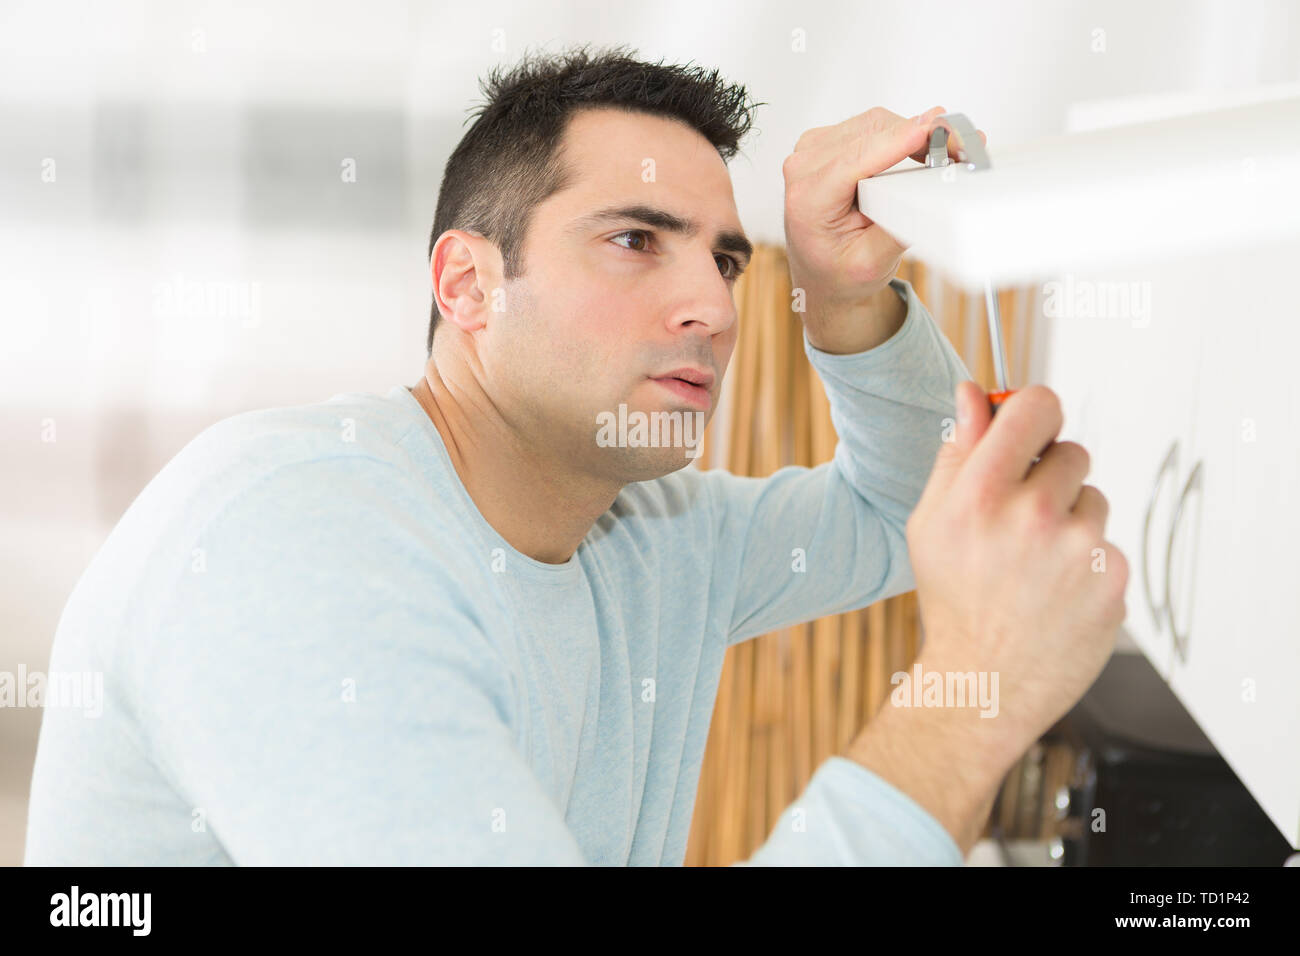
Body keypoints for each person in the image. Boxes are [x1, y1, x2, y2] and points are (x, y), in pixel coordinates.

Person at [25, 46, 1126, 865]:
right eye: (634, 239)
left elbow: (901, 512)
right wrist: (968, 701)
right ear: (466, 284)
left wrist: (841, 296)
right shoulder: (293, 541)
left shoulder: (645, 535)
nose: (709, 304)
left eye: (728, 261)